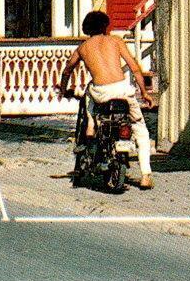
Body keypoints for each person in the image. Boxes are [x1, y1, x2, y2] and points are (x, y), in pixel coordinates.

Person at [58, 10, 155, 191]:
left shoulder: (83, 48)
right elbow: (134, 68)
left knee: (89, 90)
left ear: (87, 28)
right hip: (122, 91)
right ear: (105, 26)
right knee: (140, 129)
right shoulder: (116, 41)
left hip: (101, 93)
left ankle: (91, 124)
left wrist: (63, 90)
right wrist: (144, 93)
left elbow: (67, 71)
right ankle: (145, 175)